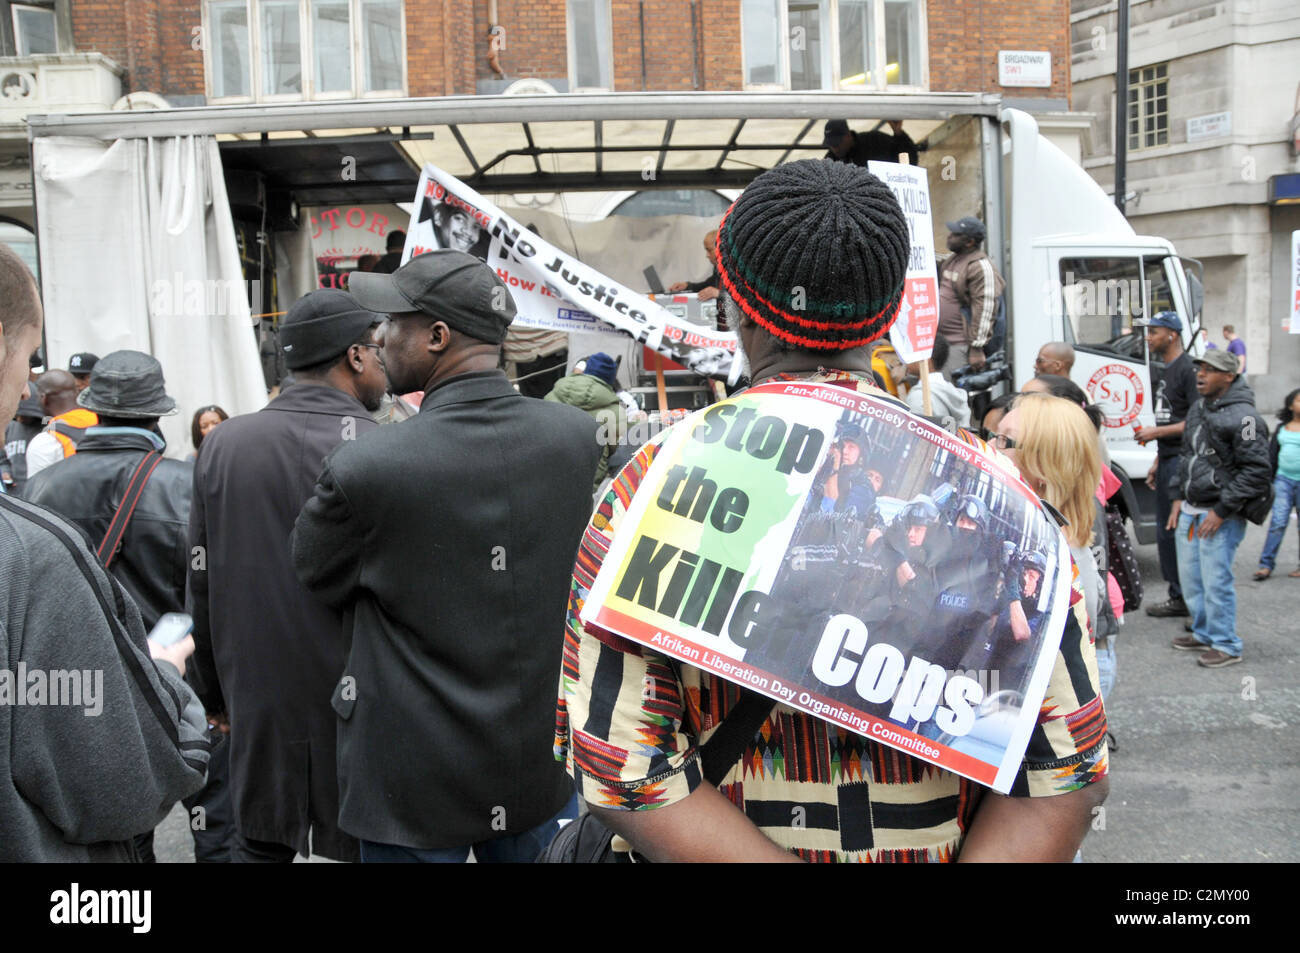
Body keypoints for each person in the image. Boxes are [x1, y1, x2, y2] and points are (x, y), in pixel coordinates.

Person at [554, 159, 1107, 862]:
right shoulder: (1004, 492)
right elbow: (1067, 773)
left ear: (734, 305)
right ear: (889, 312)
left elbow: (622, 771)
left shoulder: (652, 484)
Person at [292, 250, 601, 862]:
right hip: (537, 764)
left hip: (408, 782)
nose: (378, 337)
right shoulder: (574, 437)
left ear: (437, 336)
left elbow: (315, 574)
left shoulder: (365, 465)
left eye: (391, 322)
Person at [0, 246, 209, 861]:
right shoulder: (31, 546)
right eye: (28, 359)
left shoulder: (39, 489)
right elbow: (116, 786)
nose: (26, 385)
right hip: (134, 710)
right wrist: (180, 685)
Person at [189, 290, 386, 864]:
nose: (384, 363)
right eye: (377, 350)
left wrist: (213, 694)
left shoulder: (223, 445)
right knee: (366, 845)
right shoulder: (387, 448)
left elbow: (201, 578)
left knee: (260, 840)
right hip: (363, 699)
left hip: (258, 692)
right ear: (355, 356)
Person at [1168, 349, 1271, 667]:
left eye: (1210, 370)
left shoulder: (1247, 418)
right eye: (1199, 368)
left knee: (1216, 581)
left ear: (1229, 376)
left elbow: (1257, 471)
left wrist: (1221, 510)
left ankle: (1226, 644)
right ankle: (1204, 633)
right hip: (1191, 508)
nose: (1201, 374)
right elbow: (1187, 455)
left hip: (1219, 514)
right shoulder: (1198, 407)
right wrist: (1177, 497)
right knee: (1192, 579)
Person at [1134, 311, 1199, 617]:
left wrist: (1156, 433)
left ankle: (1186, 598)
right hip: (1167, 459)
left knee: (1176, 531)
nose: (1148, 337)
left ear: (1172, 335)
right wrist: (1158, 459)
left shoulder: (1188, 369)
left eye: (1154, 332)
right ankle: (1178, 595)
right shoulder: (1165, 369)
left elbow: (1197, 421)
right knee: (1164, 532)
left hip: (1183, 462)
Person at [545, 351, 627, 492]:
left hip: (548, 478)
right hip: (588, 487)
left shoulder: (552, 395)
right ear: (610, 379)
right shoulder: (615, 411)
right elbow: (619, 451)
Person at [937, 217, 1005, 372]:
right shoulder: (954, 260)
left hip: (959, 346)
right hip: (941, 342)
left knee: (950, 385)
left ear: (970, 242)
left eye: (955, 234)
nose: (949, 236)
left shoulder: (980, 267)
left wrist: (976, 347)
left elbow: (986, 309)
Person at [22, 368, 99, 479]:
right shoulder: (103, 421)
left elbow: (38, 488)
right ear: (77, 392)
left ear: (44, 399)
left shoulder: (45, 442)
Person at [1256, 387, 1300, 579]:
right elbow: (1271, 456)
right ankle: (1266, 565)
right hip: (1283, 481)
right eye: (1299, 400)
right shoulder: (1282, 428)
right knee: (1278, 522)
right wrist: (1267, 481)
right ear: (1290, 405)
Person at [904, 335, 971, 429]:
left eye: (910, 353)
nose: (904, 359)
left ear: (926, 360)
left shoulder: (919, 397)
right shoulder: (953, 391)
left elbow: (912, 433)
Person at [822, 119, 919, 167]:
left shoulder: (875, 141)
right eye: (830, 145)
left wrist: (899, 133)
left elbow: (911, 160)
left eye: (837, 144)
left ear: (848, 135)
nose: (834, 149)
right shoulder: (830, 161)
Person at [1, 391, 43, 495]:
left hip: (38, 492)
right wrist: (5, 471)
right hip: (15, 492)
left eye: (24, 415)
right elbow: (2, 458)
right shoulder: (9, 427)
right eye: (18, 415)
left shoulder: (45, 430)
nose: (19, 418)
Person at [668, 228, 721, 301]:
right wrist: (687, 286)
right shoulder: (718, 268)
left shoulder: (735, 268)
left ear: (720, 248)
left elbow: (738, 297)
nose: (707, 255)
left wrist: (719, 294)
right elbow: (707, 285)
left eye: (709, 250)